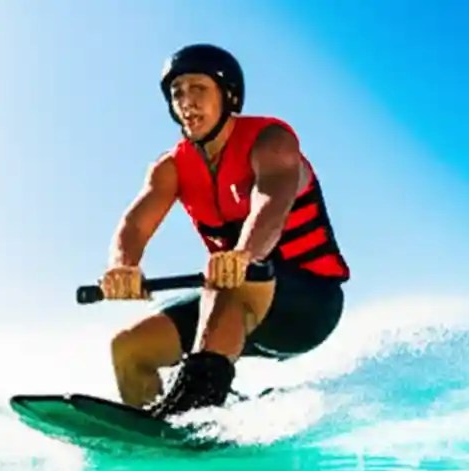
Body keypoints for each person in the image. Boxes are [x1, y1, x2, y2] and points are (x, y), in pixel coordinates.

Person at [99, 43, 351, 418]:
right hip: (234, 303)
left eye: (198, 89)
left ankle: (192, 413)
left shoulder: (272, 142)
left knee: (223, 280)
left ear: (230, 96)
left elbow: (271, 202)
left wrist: (245, 254)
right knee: (130, 348)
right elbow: (135, 223)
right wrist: (124, 265)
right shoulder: (170, 168)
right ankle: (157, 436)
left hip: (308, 305)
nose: (186, 102)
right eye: (177, 93)